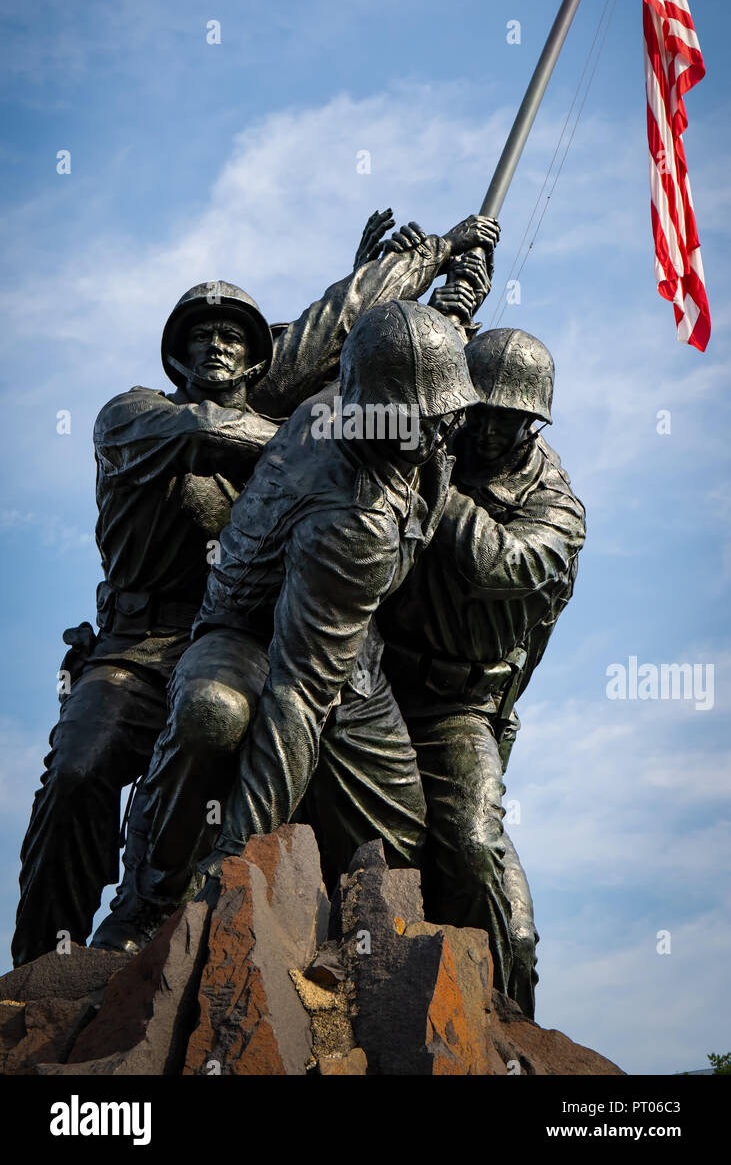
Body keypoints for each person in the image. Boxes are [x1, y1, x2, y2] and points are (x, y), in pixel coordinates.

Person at [12, 209, 497, 967]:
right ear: (175, 357)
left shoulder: (303, 415)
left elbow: (333, 324)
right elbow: (219, 434)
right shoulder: (136, 416)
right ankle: (56, 961)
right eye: (200, 337)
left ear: (255, 358)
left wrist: (435, 262)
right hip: (143, 650)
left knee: (368, 800)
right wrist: (331, 429)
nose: (218, 346)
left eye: (236, 337)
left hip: (266, 639)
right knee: (78, 772)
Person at [91, 300, 481, 953]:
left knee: (397, 839)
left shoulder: (363, 402)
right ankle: (148, 902)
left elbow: (383, 350)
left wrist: (443, 310)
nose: (449, 428)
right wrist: (236, 866)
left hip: (352, 649)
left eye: (448, 410)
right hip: (249, 639)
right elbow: (296, 697)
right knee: (213, 712)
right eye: (434, 416)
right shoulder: (353, 519)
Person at [377, 326, 586, 1017]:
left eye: (511, 418)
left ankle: (491, 1019)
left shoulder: (555, 506)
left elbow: (503, 565)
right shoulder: (433, 434)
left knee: (471, 847)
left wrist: (437, 487)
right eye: (482, 411)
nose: (491, 431)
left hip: (458, 708)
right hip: (371, 685)